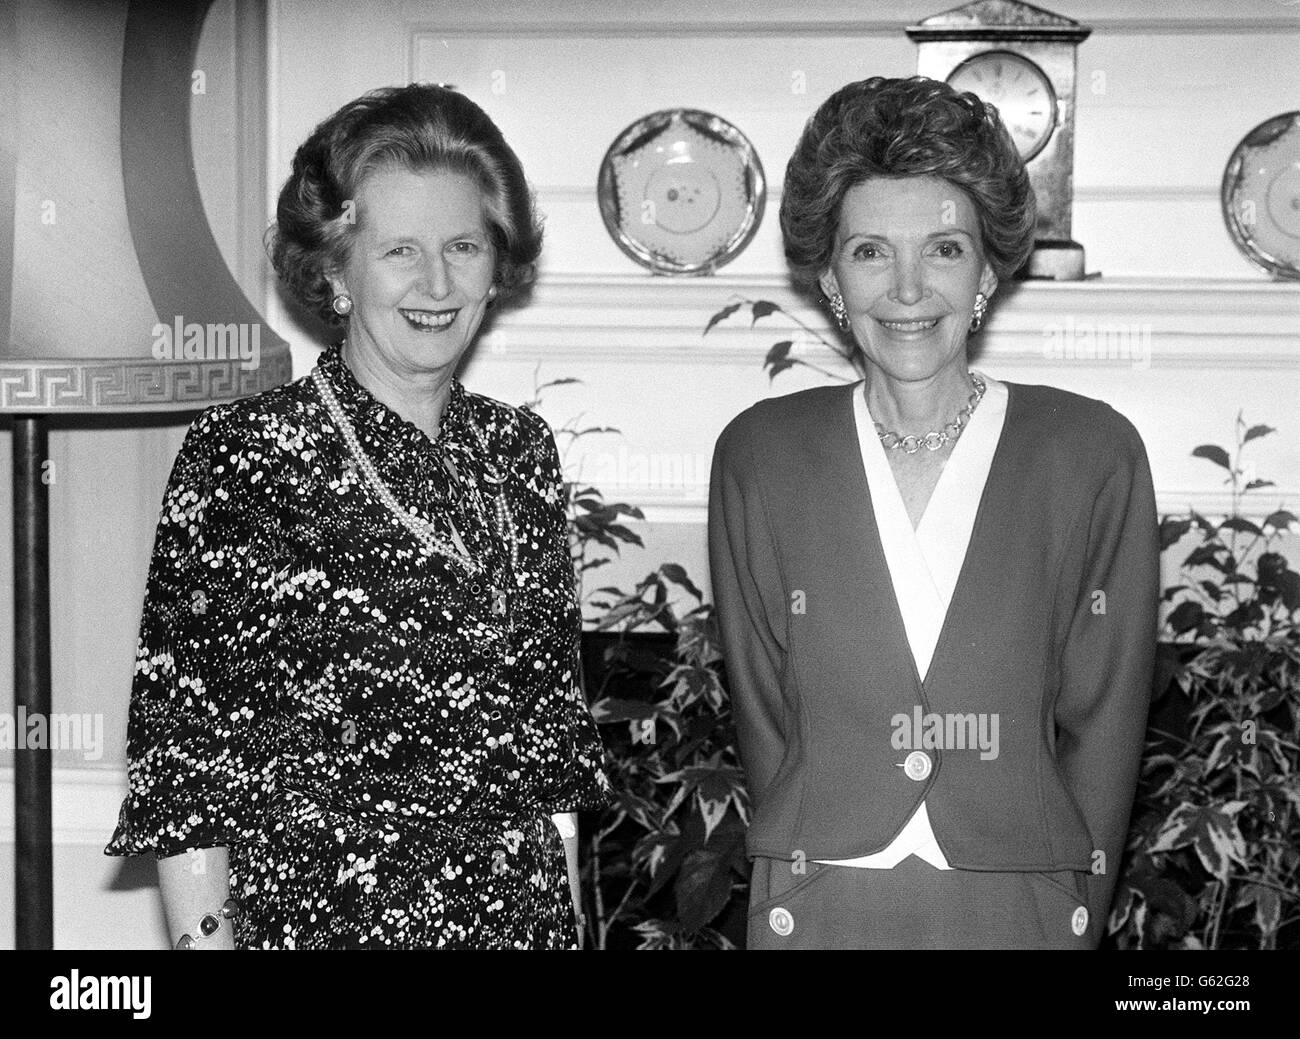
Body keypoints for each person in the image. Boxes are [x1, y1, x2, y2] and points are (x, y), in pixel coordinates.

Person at [106, 83, 611, 949]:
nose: (438, 282)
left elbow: (548, 754)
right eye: (400, 251)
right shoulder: (248, 457)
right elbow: (189, 768)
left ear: (498, 264)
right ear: (337, 270)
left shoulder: (518, 448)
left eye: (463, 245)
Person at [708, 76, 1159, 949]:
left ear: (989, 268)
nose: (908, 289)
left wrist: (1076, 915)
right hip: (819, 902)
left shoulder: (1090, 452)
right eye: (871, 251)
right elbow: (764, 715)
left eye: (944, 249)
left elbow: (1107, 725)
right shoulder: (760, 455)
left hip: (1019, 906)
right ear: (830, 276)